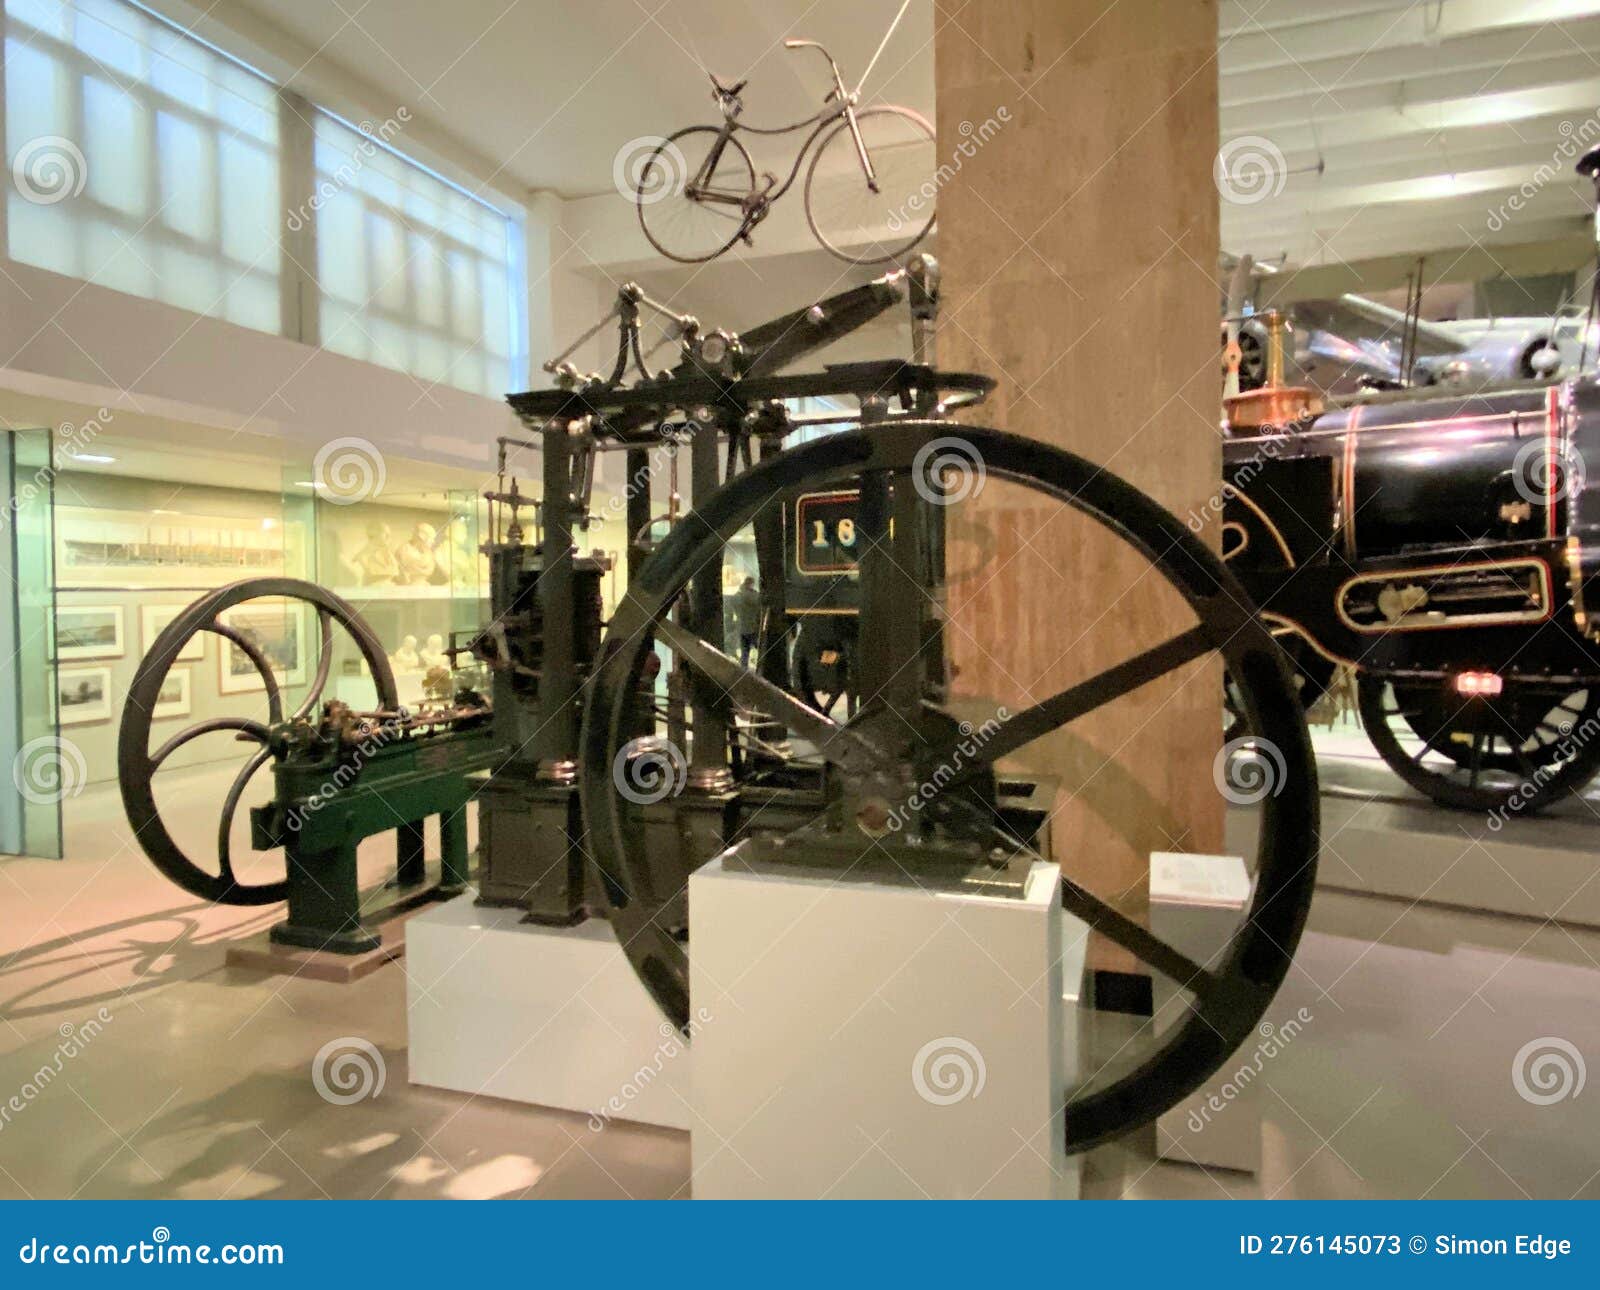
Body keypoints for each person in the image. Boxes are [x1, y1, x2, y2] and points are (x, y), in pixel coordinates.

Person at [735, 576, 762, 668]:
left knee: (745, 652)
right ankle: (759, 668)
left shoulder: (738, 594)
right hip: (751, 628)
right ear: (751, 584)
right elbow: (759, 602)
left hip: (742, 628)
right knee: (760, 648)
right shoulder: (751, 595)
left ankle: (743, 670)